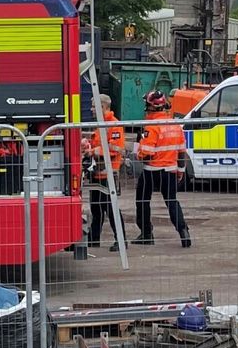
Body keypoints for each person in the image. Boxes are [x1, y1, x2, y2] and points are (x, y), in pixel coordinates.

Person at [132, 89, 191, 248]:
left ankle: (146, 233)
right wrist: (180, 172)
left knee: (143, 200)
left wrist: (137, 151)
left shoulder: (151, 126)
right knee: (172, 201)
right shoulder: (174, 125)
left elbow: (146, 154)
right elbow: (181, 152)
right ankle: (183, 230)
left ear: (151, 106)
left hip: (152, 171)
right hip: (170, 170)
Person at [78, 95, 127, 256]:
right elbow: (100, 145)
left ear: (103, 107)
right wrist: (88, 145)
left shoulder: (113, 125)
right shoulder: (101, 125)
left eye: (93, 106)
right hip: (97, 174)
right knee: (96, 208)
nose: (91, 109)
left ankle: (121, 240)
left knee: (111, 209)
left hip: (108, 175)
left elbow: (114, 150)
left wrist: (91, 151)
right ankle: (94, 238)